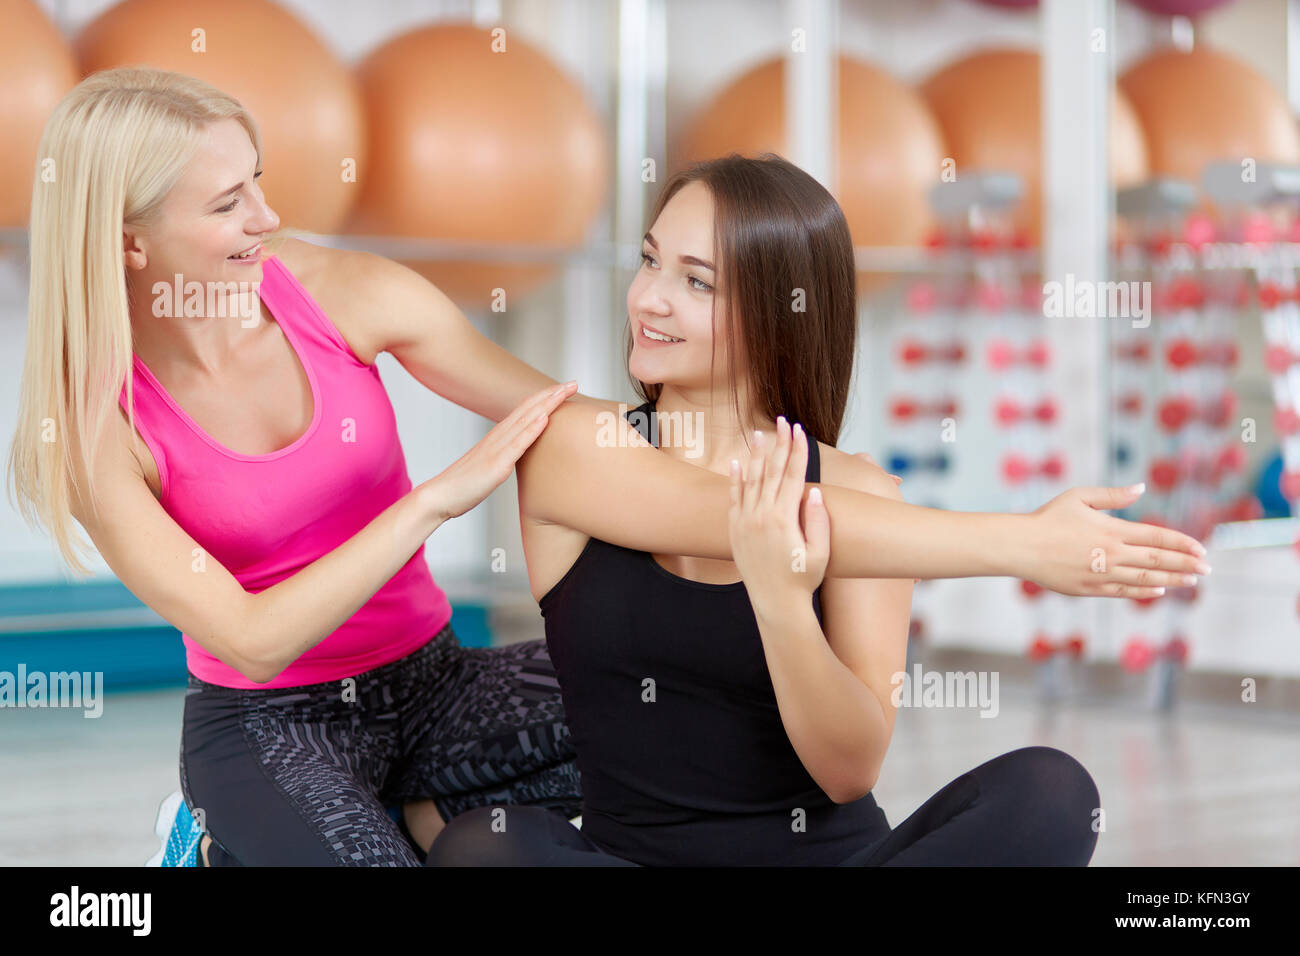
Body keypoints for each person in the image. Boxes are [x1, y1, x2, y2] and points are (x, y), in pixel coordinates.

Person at [6, 69, 1205, 867]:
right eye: (231, 199)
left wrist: (674, 460)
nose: (270, 214)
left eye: (261, 176)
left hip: (433, 682)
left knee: (683, 725)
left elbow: (552, 413)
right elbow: (254, 639)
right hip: (273, 723)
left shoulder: (341, 292)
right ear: (131, 238)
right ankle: (226, 842)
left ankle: (429, 816)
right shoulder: (92, 415)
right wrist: (432, 501)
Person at [423, 155, 1202, 866]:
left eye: (697, 282)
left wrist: (784, 604)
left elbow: (846, 772)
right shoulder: (575, 445)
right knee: (485, 848)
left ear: (778, 312)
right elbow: (722, 508)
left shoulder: (866, 496)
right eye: (651, 260)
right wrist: (1023, 544)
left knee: (1051, 791)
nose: (650, 300)